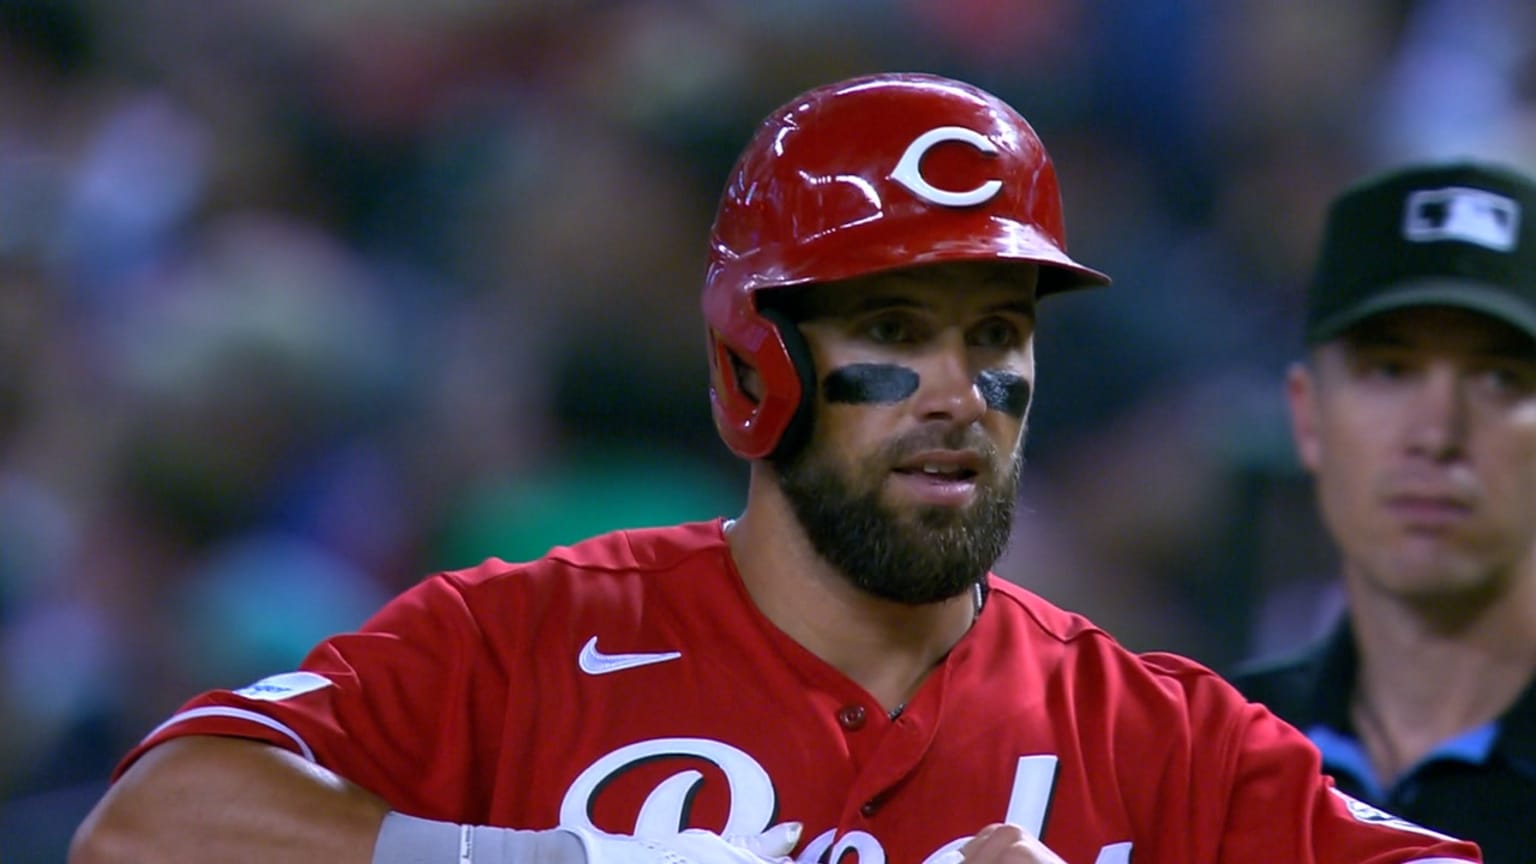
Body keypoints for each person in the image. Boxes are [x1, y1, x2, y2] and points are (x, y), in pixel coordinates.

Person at [69, 73, 1480, 864]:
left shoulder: (1152, 735)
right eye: (889, 330)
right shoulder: (526, 640)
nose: (958, 394)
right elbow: (147, 829)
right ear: (757, 361)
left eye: (996, 335)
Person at [1227, 160, 1536, 863]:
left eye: (1500, 377)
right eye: (1390, 371)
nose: (1437, 433)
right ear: (1307, 417)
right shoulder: (1208, 749)